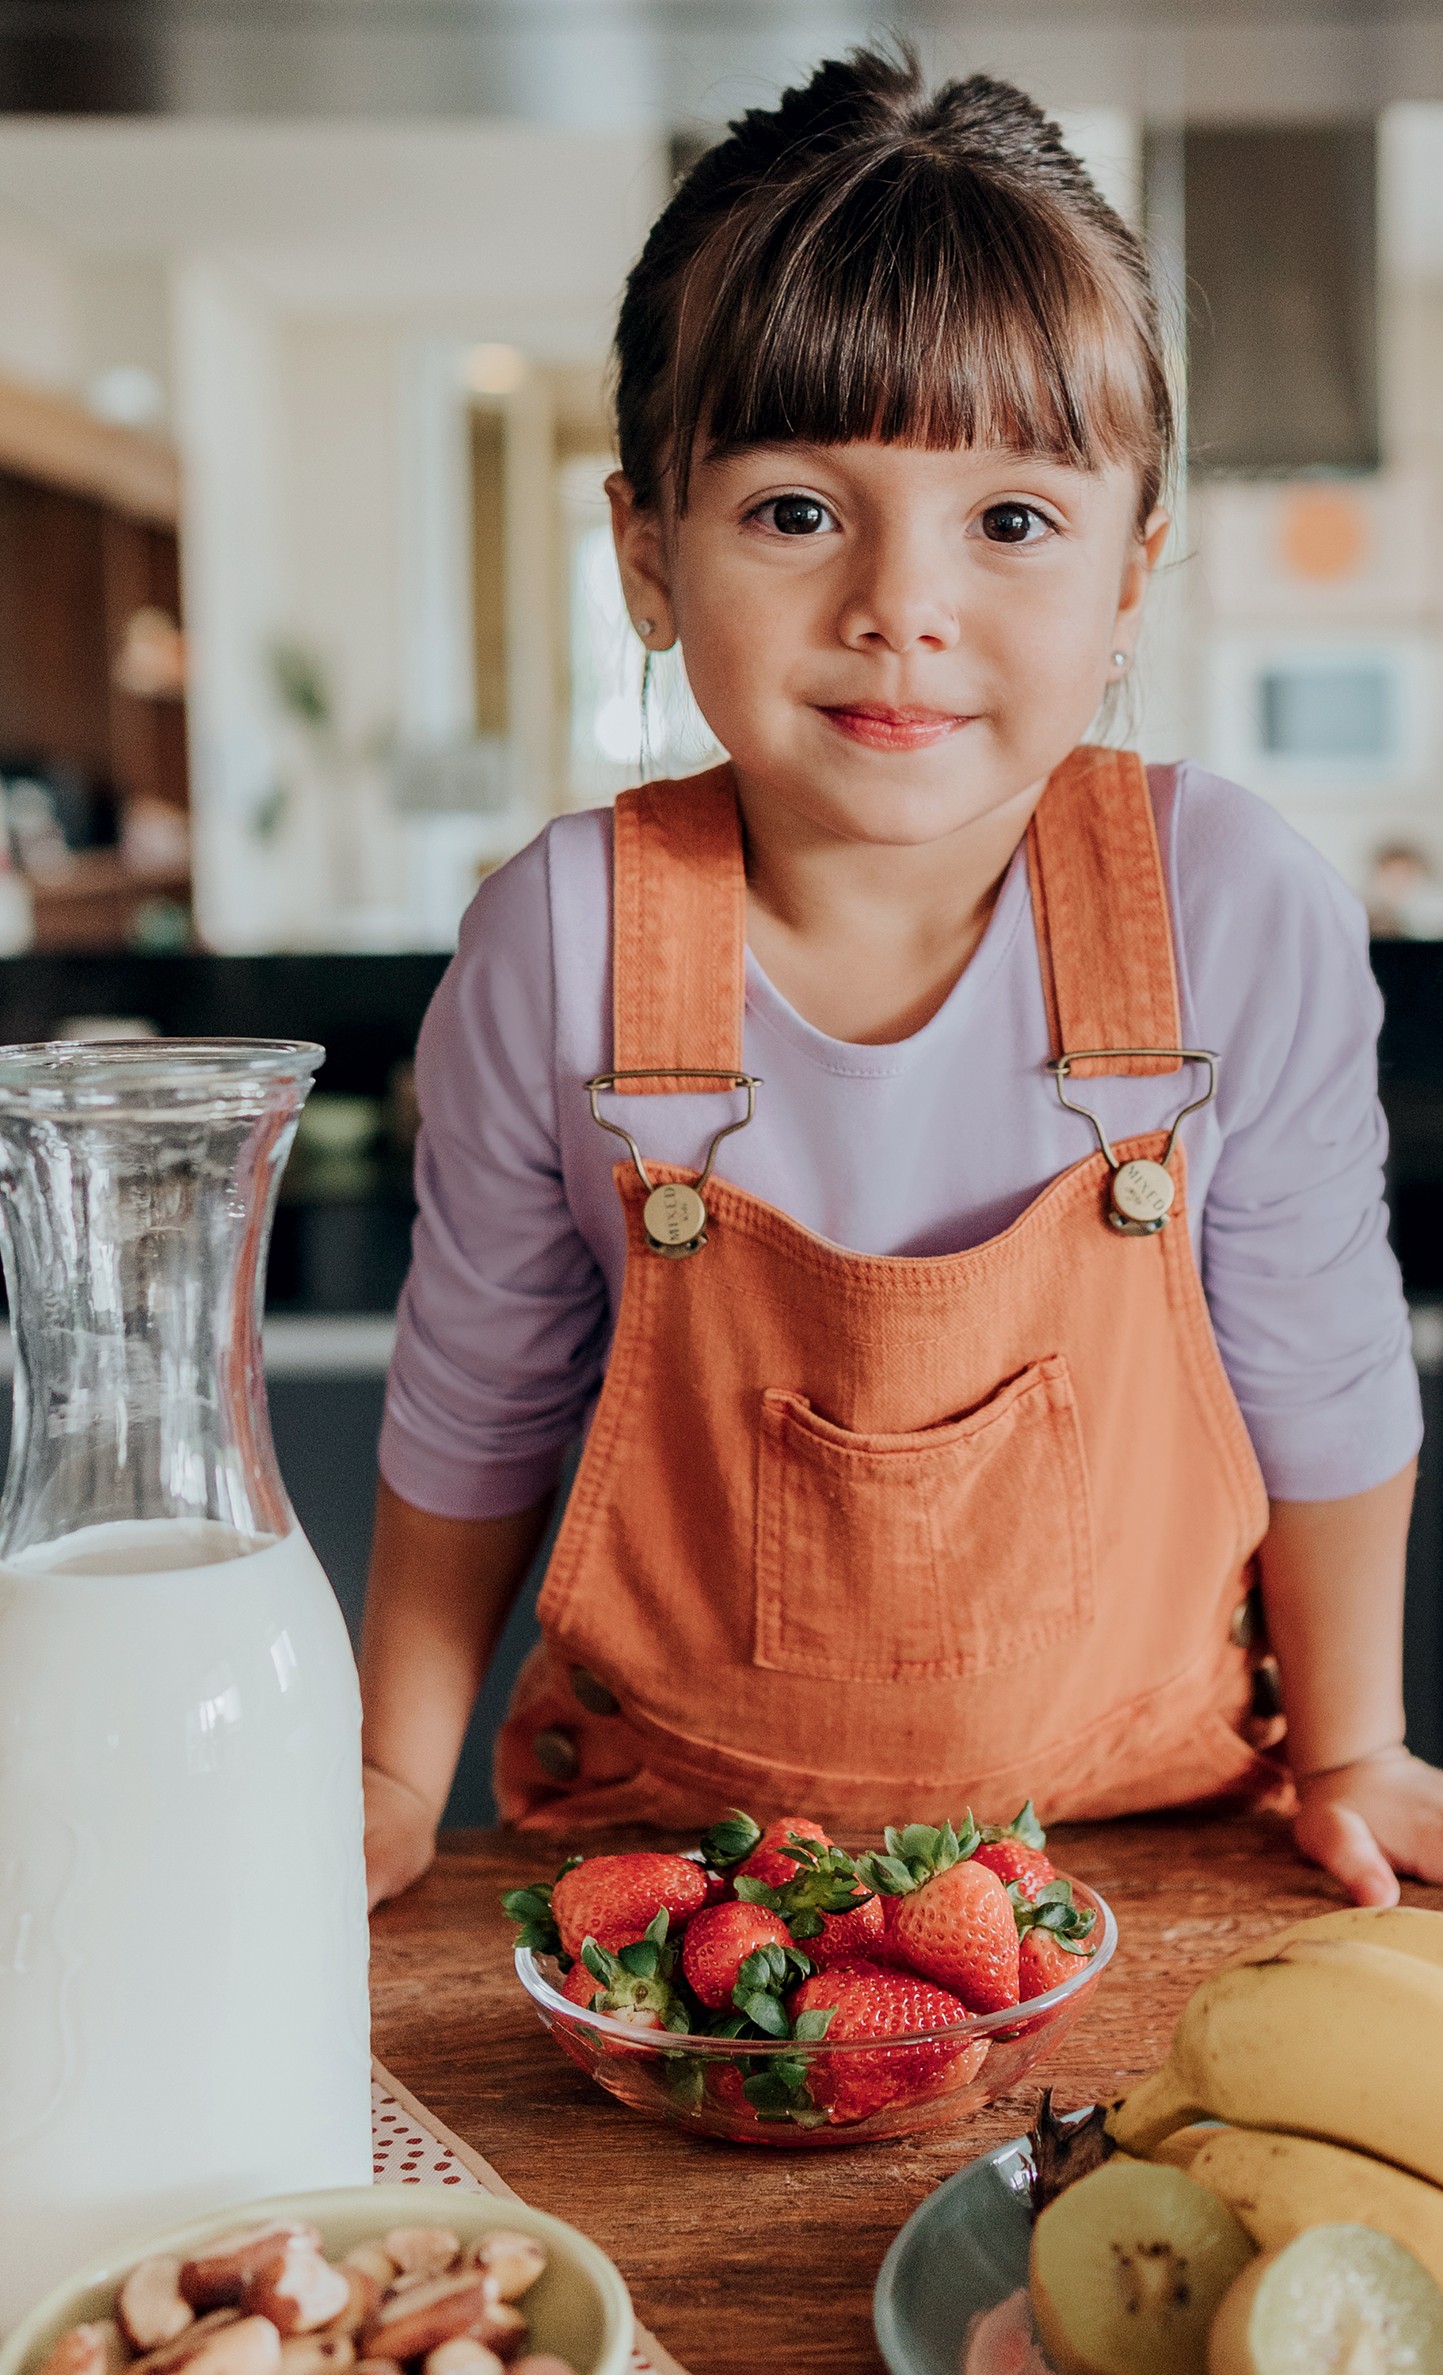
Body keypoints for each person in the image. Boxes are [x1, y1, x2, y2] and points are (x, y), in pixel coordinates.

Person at [361, 46, 1435, 1912]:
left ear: (1129, 583)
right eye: (796, 508)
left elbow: (1324, 1371)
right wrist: (382, 1771)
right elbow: (478, 1390)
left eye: (1011, 520)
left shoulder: (1231, 904)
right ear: (646, 550)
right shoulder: (561, 936)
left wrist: (1350, 1751)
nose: (900, 605)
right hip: (676, 1874)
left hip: (1146, 1839)